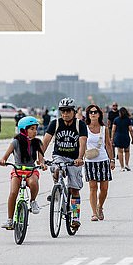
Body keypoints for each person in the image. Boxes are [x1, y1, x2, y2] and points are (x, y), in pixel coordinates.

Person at [42, 98, 87, 228]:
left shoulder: (80, 125)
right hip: (59, 155)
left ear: (73, 111)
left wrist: (80, 158)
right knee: (56, 169)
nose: (65, 114)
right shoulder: (55, 123)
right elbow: (45, 141)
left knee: (74, 189)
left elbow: (83, 143)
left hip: (74, 159)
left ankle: (75, 217)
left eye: (68, 111)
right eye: (62, 111)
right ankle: (57, 188)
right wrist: (40, 157)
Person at [0, 116, 46, 229]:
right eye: (32, 129)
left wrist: (42, 164)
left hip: (31, 170)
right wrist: (3, 160)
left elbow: (41, 158)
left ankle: (33, 201)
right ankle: (10, 220)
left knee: (34, 182)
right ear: (24, 130)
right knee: (13, 193)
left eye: (36, 129)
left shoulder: (37, 143)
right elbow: (6, 155)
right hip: (17, 171)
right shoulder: (16, 142)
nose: (35, 131)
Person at [83, 104, 114, 221]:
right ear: (88, 115)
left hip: (103, 160)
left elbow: (108, 145)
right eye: (91, 112)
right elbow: (81, 144)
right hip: (90, 161)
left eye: (95, 112)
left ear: (99, 114)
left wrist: (112, 160)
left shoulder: (103, 129)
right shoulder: (84, 128)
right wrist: (80, 157)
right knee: (93, 187)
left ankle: (100, 206)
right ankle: (94, 213)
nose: (93, 114)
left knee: (104, 188)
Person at [112, 107, 133, 172]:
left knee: (120, 152)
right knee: (127, 151)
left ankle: (122, 167)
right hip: (126, 137)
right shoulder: (128, 120)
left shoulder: (116, 120)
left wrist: (112, 138)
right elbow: (130, 130)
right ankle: (127, 165)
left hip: (118, 137)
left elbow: (113, 130)